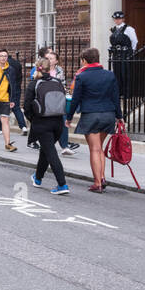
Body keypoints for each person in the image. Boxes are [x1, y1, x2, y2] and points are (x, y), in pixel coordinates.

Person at [66, 46, 123, 193]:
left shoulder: (82, 76)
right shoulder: (109, 75)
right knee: (100, 149)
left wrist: (69, 117)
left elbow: (75, 99)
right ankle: (102, 177)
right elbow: (115, 97)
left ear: (84, 60)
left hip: (91, 115)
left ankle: (97, 183)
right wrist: (119, 117)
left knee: (94, 149)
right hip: (108, 114)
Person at [24, 56, 70, 195]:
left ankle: (62, 184)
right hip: (58, 122)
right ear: (50, 67)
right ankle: (37, 178)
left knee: (51, 154)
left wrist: (33, 120)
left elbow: (26, 107)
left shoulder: (34, 84)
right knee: (45, 150)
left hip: (42, 123)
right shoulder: (57, 82)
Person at [37, 47, 79, 156]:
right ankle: (44, 142)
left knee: (63, 119)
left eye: (51, 58)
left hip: (58, 98)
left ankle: (64, 146)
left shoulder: (59, 70)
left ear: (56, 61)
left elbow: (62, 84)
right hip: (45, 99)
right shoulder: (40, 69)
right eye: (47, 58)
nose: (49, 60)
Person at [109, 10, 137, 101]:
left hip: (125, 54)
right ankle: (118, 92)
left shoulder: (129, 29)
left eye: (119, 18)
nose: (117, 20)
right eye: (116, 19)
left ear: (123, 19)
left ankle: (127, 94)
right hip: (116, 54)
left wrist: (130, 52)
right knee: (117, 74)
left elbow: (134, 41)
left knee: (126, 74)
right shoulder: (114, 29)